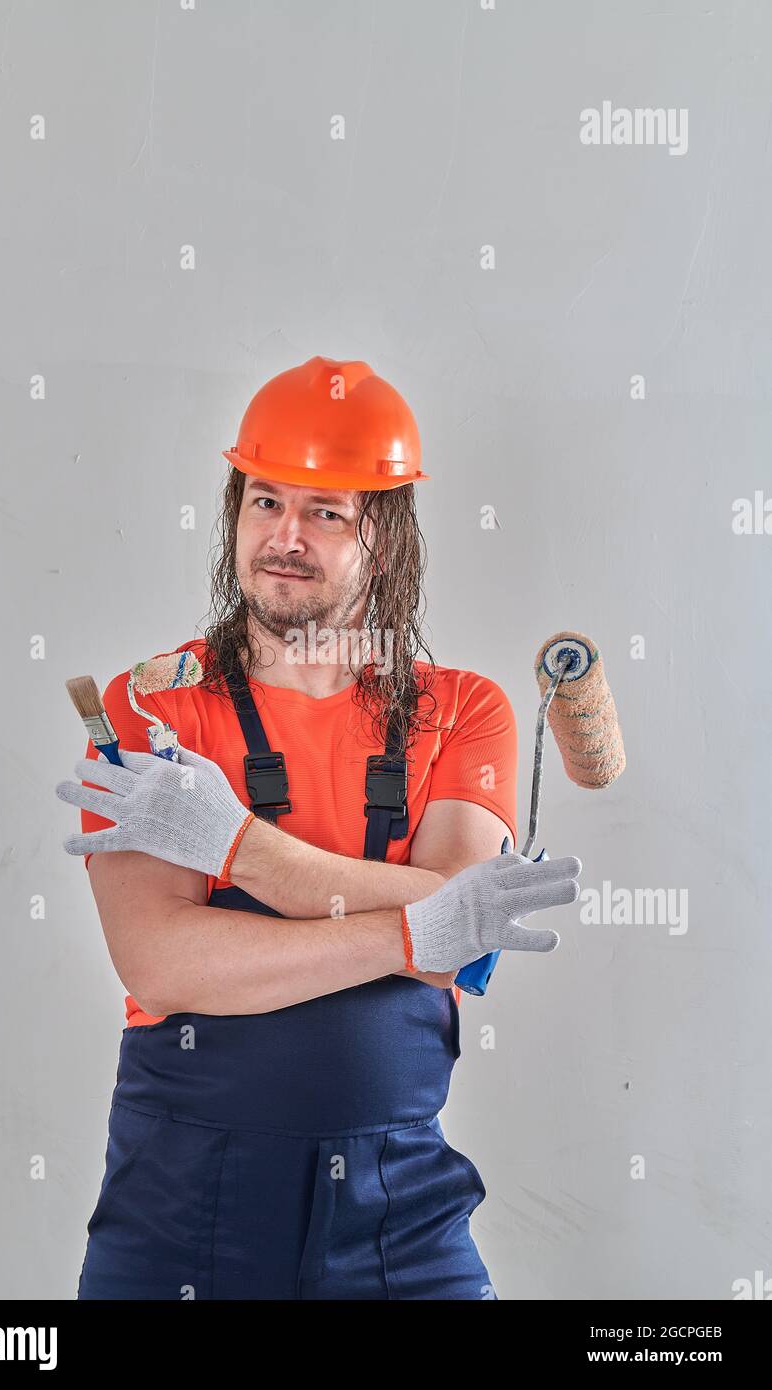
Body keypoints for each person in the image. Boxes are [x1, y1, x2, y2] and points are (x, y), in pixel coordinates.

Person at [55, 355, 581, 1300]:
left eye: (325, 512)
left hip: (403, 1211)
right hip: (181, 1209)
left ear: (383, 539)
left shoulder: (463, 711)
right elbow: (162, 964)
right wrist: (418, 926)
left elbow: (464, 937)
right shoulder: (149, 709)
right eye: (265, 503)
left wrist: (237, 849)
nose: (284, 538)